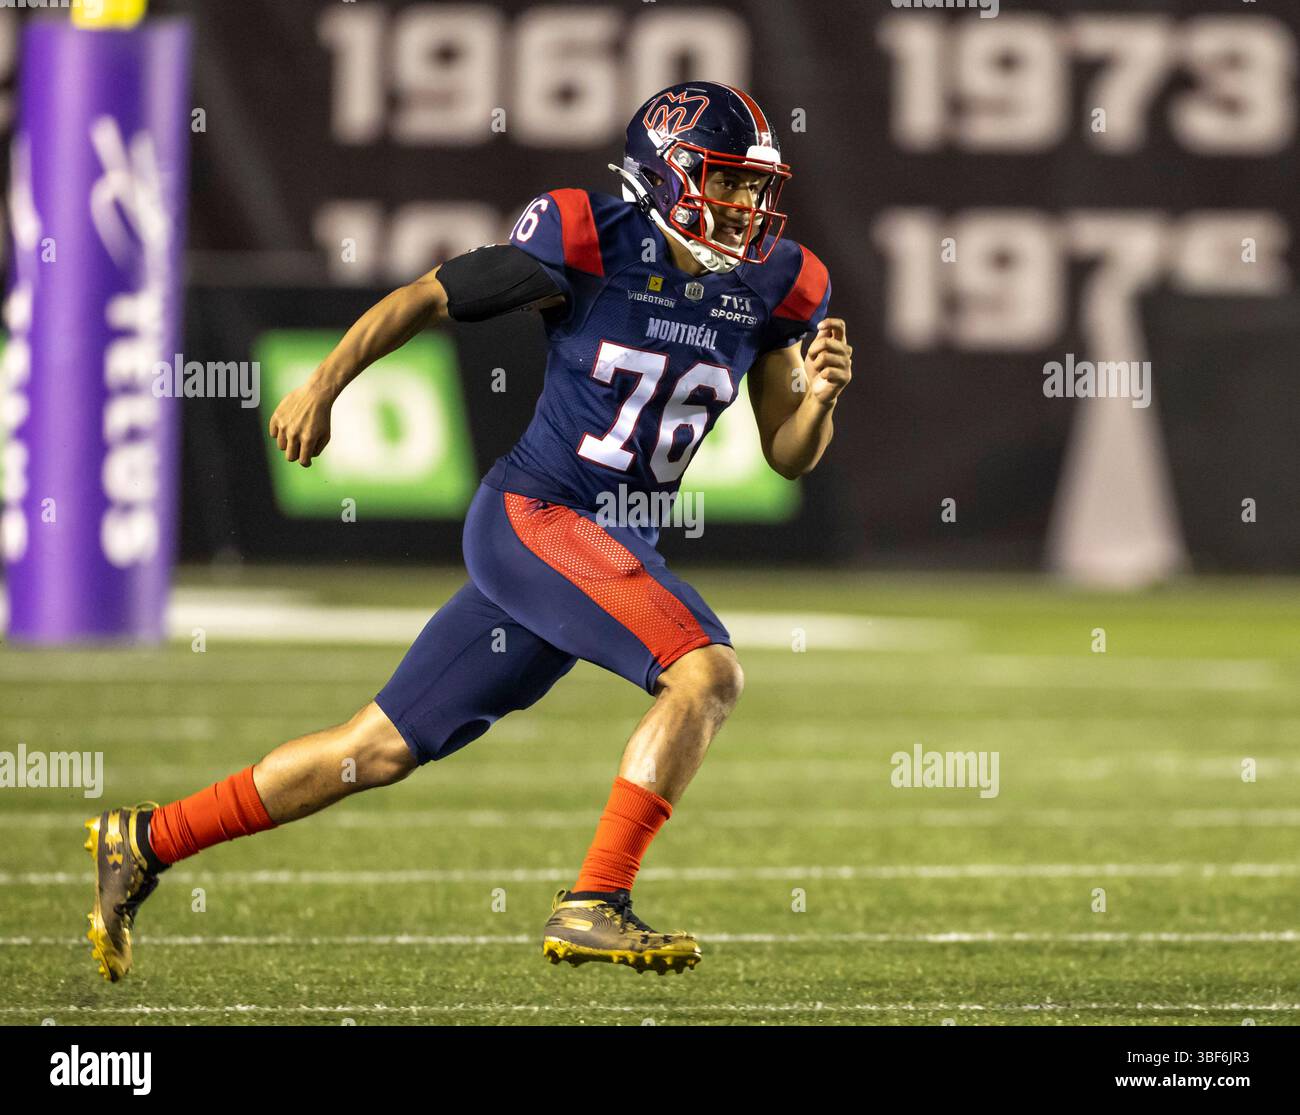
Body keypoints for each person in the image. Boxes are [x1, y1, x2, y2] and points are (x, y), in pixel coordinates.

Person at [85, 81, 852, 981]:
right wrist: (324, 383)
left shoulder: (779, 283)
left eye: (756, 187)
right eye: (726, 183)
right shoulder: (589, 238)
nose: (747, 207)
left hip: (605, 544)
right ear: (666, 175)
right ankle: (596, 899)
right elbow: (424, 296)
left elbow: (789, 454)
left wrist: (821, 401)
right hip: (536, 516)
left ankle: (143, 839)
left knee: (369, 750)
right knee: (706, 670)